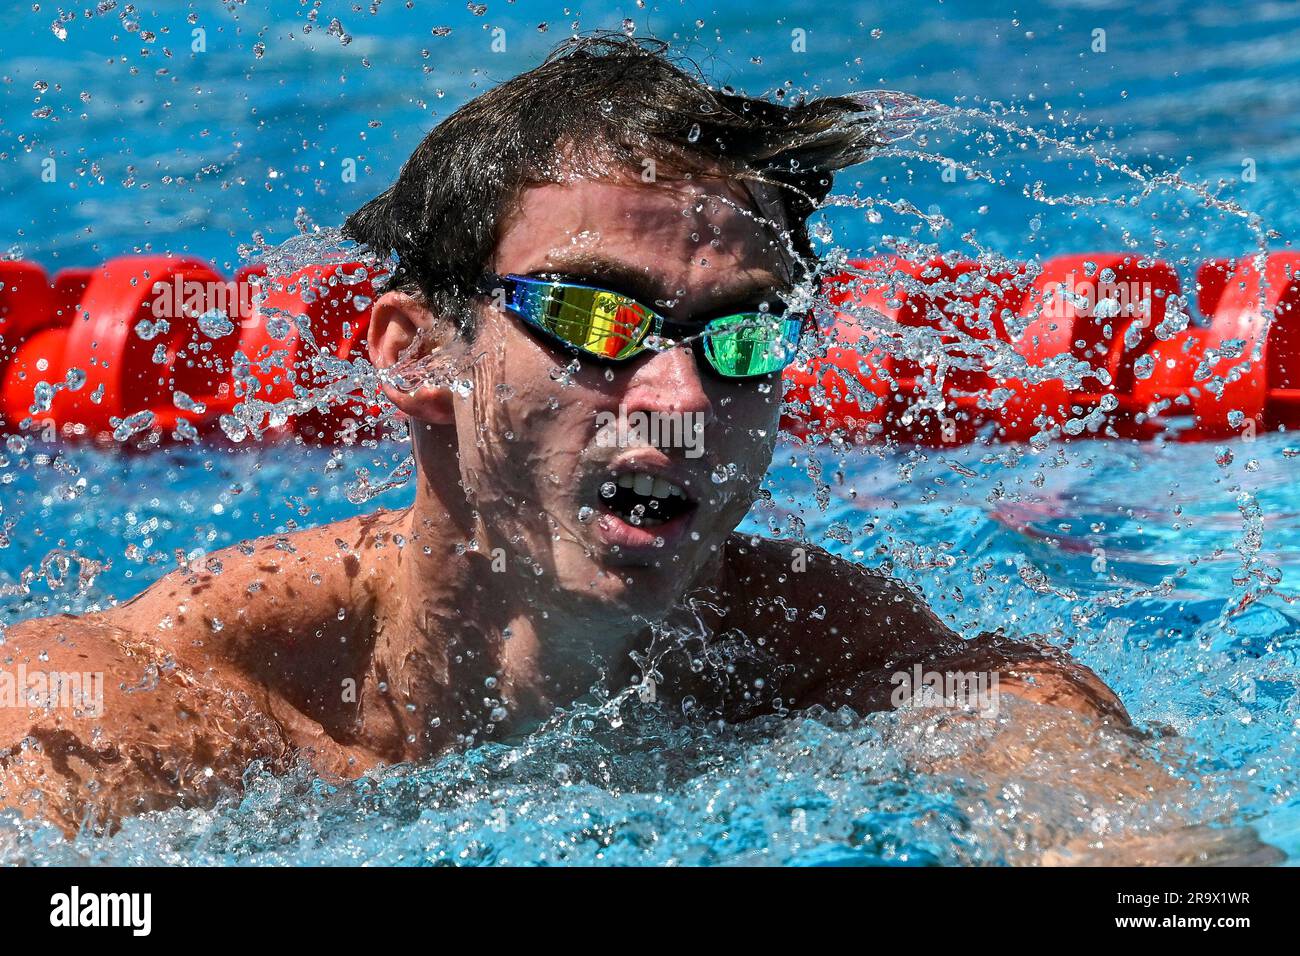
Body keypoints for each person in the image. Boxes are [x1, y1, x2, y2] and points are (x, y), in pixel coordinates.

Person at [0, 36, 1127, 836]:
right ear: (414, 353)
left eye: (745, 335)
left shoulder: (862, 678)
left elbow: (1171, 884)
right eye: (595, 318)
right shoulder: (144, 711)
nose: (680, 398)